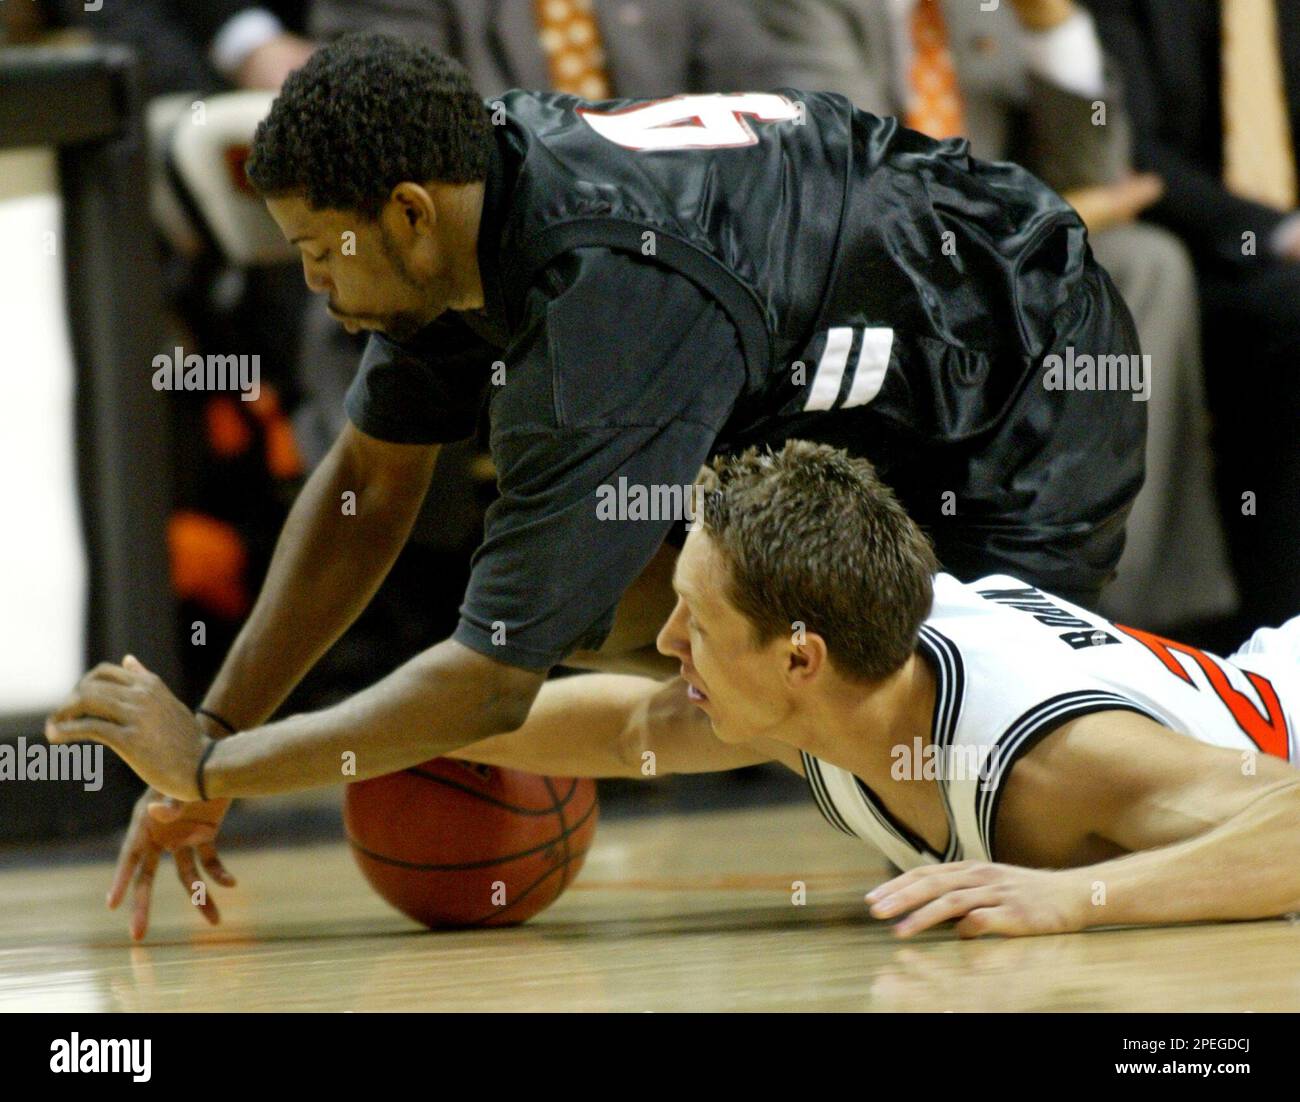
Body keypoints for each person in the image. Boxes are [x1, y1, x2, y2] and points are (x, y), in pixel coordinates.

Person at [46, 34, 1148, 938]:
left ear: (409, 212)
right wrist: (218, 734)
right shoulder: (469, 213)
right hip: (840, 367)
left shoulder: (600, 315)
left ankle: (1230, 793)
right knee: (626, 615)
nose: (311, 278)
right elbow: (364, 494)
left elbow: (487, 685)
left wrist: (215, 761)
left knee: (1007, 820)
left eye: (320, 247)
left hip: (1015, 357)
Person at [447, 441, 1296, 937]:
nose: (667, 644)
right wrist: (365, 740)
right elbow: (629, 730)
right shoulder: (834, 695)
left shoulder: (1044, 757)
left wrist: (1075, 899)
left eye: (696, 625)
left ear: (799, 659)